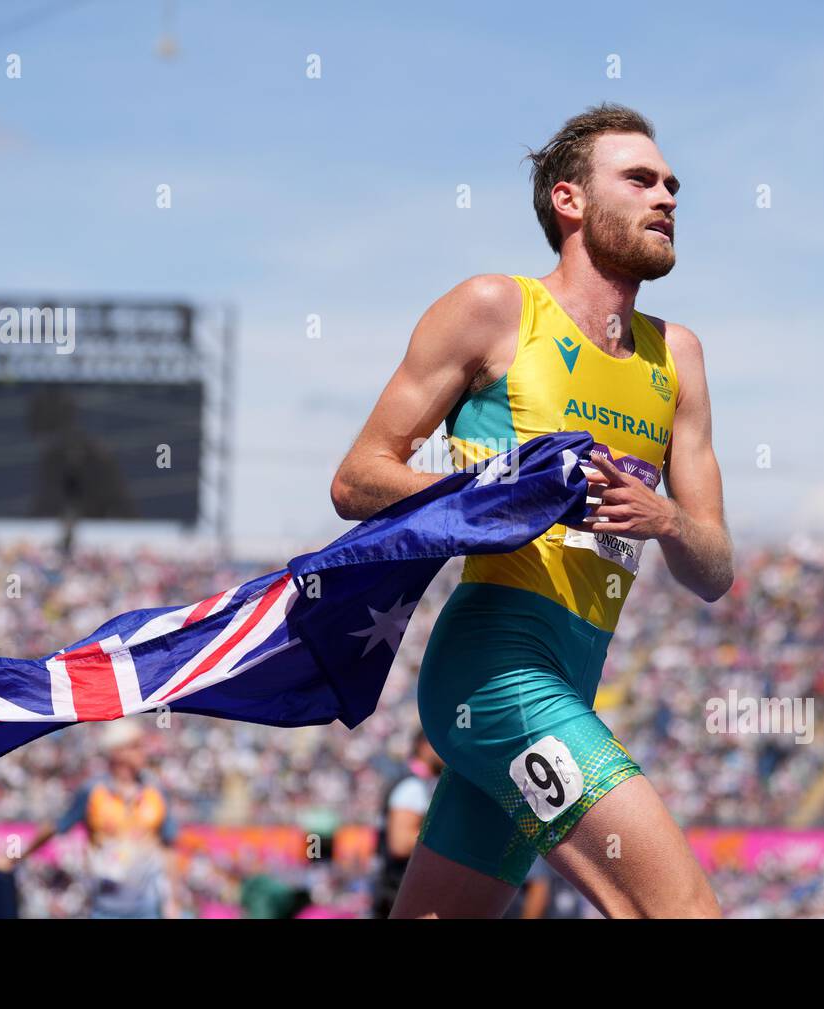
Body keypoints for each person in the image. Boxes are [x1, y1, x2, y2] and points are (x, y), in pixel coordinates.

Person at [331, 103, 732, 918]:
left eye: (672, 184)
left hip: (575, 676)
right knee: (679, 909)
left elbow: (714, 567)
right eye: (641, 180)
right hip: (496, 670)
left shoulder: (678, 355)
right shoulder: (494, 308)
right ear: (569, 201)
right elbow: (358, 477)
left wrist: (665, 520)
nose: (668, 197)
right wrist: (498, 497)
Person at [13, 719, 181, 918]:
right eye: (136, 747)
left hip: (146, 907)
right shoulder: (93, 791)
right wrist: (18, 856)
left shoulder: (156, 792)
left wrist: (172, 901)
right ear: (117, 752)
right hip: (104, 906)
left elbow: (168, 847)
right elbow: (57, 826)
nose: (144, 752)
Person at [371, 730, 444, 917]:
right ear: (424, 745)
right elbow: (400, 843)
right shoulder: (413, 786)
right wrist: (449, 834)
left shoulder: (417, 783)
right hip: (398, 893)